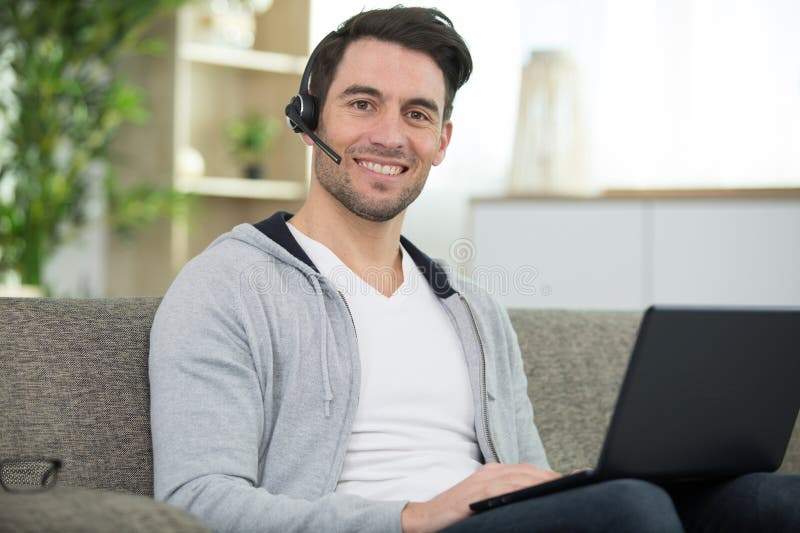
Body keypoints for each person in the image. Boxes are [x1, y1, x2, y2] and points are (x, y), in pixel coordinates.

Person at [149, 6, 800, 533]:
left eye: (417, 113)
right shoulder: (227, 285)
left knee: (769, 501)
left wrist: (566, 488)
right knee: (628, 512)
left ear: (442, 142)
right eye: (362, 103)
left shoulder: (473, 309)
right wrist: (412, 516)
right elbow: (197, 500)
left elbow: (528, 478)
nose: (390, 135)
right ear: (307, 118)